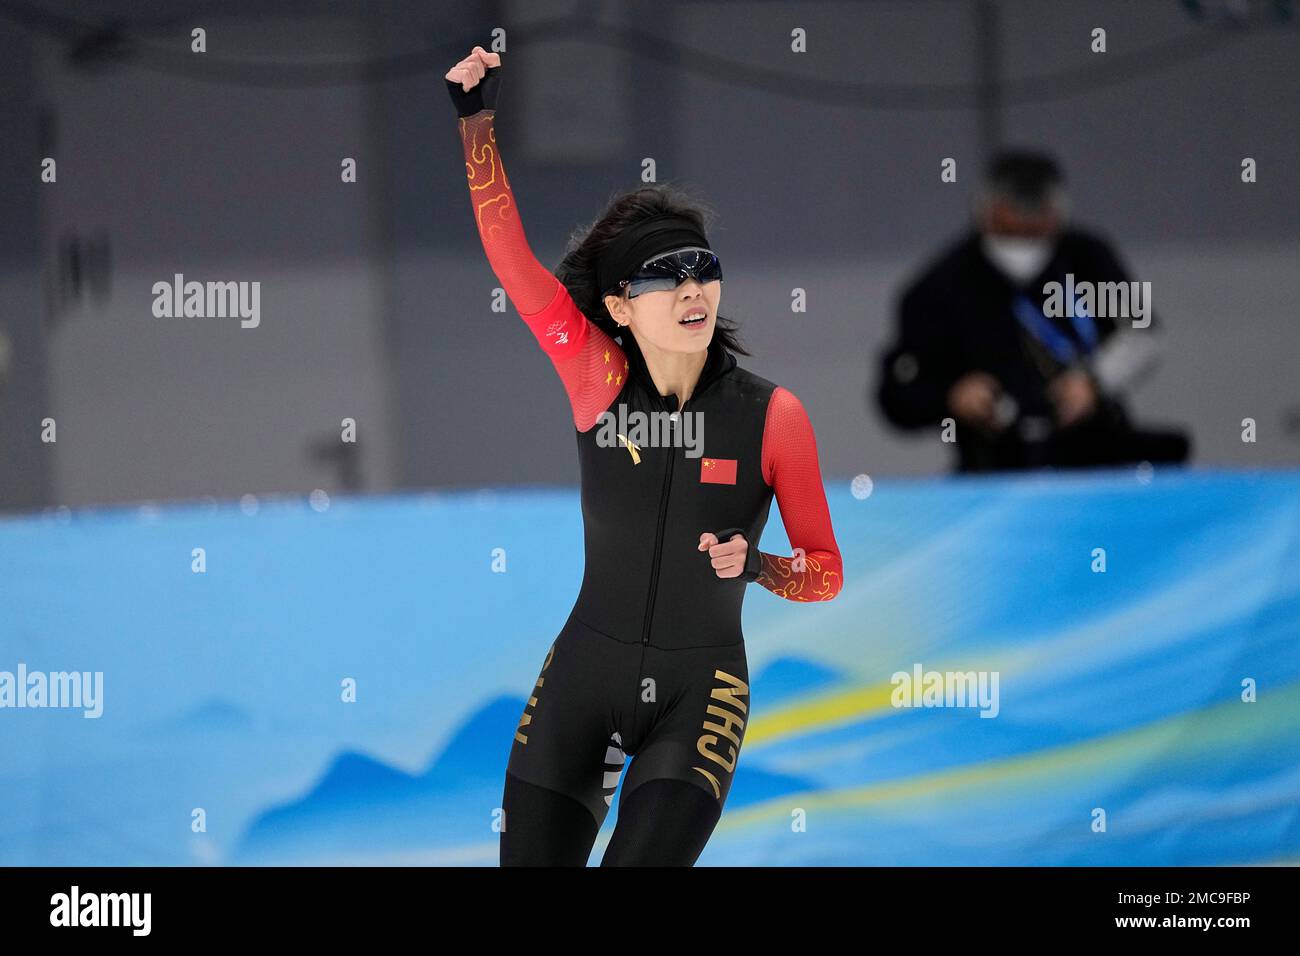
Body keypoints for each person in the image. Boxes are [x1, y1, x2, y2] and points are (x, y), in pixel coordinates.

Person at [445, 46, 843, 866]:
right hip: (582, 681)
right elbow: (511, 259)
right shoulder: (594, 377)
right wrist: (475, 120)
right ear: (620, 307)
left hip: (700, 696)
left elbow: (826, 572)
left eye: (703, 270)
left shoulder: (773, 416)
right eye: (665, 277)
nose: (693, 288)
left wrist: (759, 566)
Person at [875, 149, 1191, 472]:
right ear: (985, 211)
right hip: (992, 464)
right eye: (1011, 227)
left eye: (1036, 227)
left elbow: (1144, 332)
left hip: (1097, 454)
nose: (1024, 239)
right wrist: (951, 396)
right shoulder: (938, 286)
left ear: (1058, 214)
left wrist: (1094, 382)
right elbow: (899, 391)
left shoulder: (1089, 258)